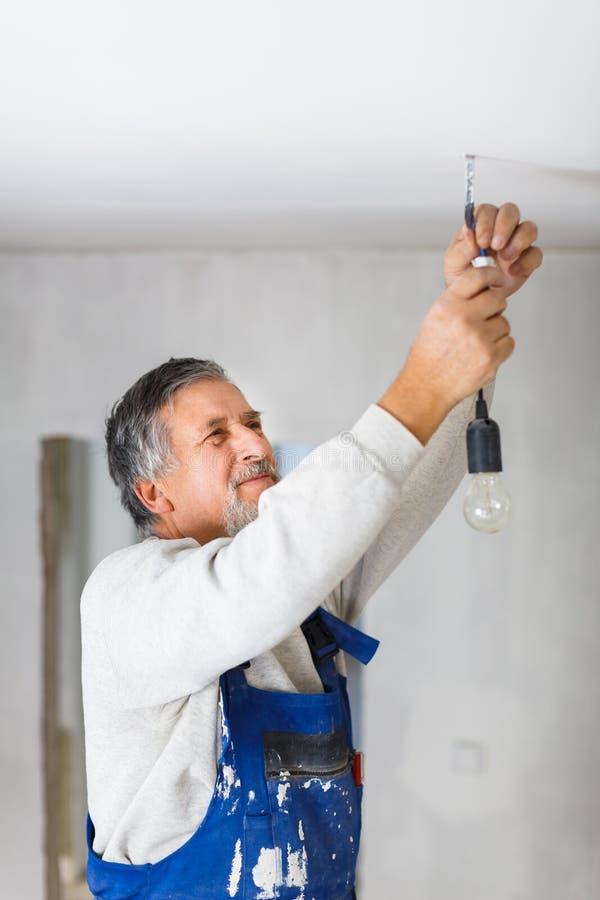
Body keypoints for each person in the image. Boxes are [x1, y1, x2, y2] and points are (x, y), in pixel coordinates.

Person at [81, 204, 542, 899]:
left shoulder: (306, 591)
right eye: (217, 435)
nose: (254, 444)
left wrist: (468, 335)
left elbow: (400, 484)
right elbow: (253, 587)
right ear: (155, 493)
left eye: (253, 422)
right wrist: (419, 380)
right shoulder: (127, 597)